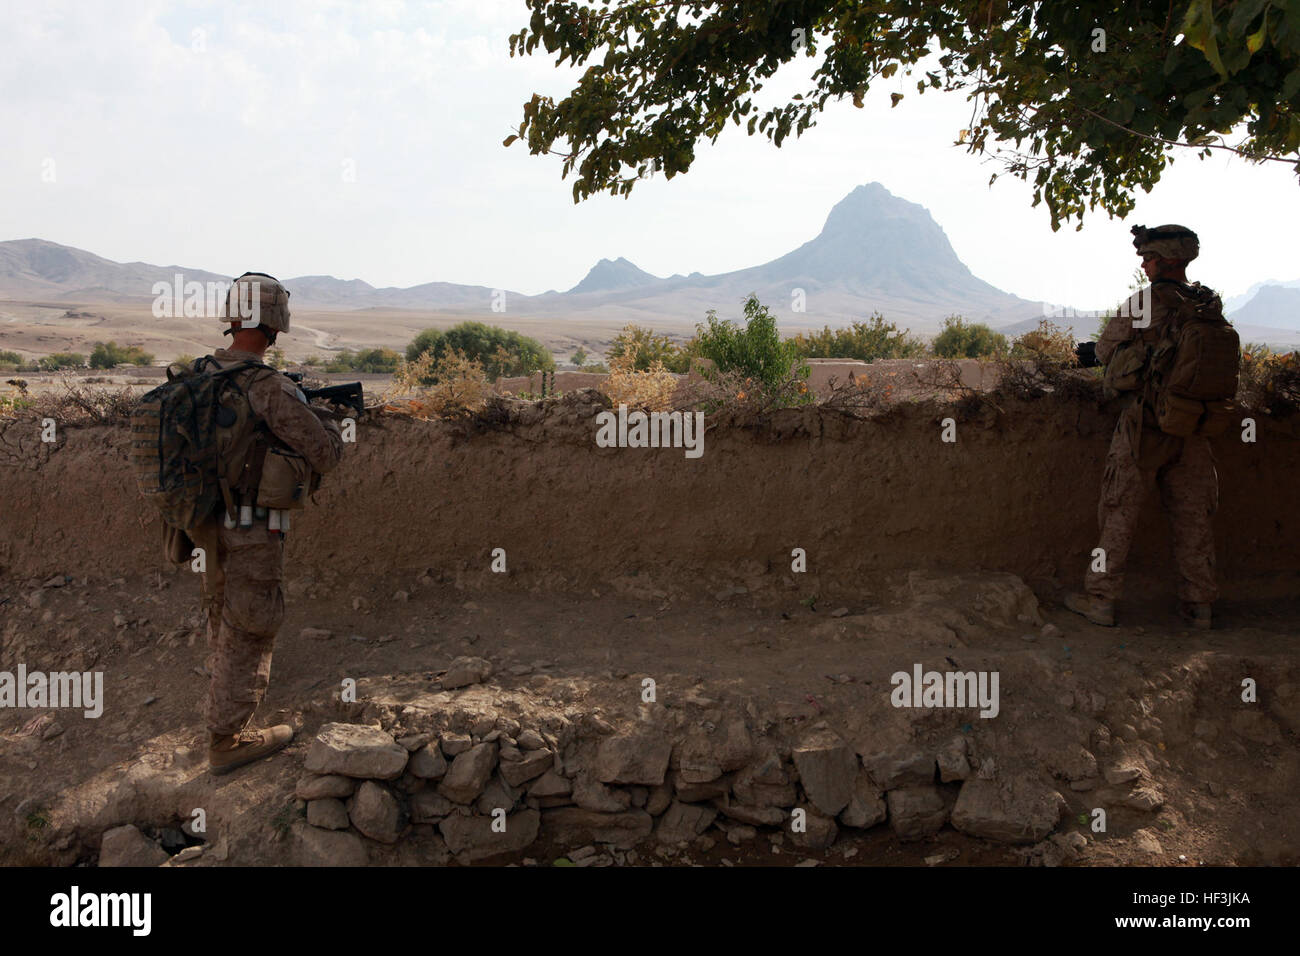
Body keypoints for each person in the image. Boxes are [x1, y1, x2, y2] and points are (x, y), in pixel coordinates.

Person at [188, 272, 345, 774]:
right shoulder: (267, 387)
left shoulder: (197, 374)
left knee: (223, 617)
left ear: (233, 317)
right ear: (275, 323)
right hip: (251, 529)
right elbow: (325, 454)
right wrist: (324, 418)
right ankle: (226, 741)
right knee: (252, 624)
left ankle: (222, 718)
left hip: (202, 524)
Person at [1065, 226, 1219, 630]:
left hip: (1144, 425)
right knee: (1194, 518)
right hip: (1193, 426)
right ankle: (1198, 606)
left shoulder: (1144, 303)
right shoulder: (1207, 304)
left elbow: (1103, 352)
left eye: (1149, 256)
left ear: (1168, 259)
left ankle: (1100, 598)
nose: (1143, 263)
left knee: (1118, 513)